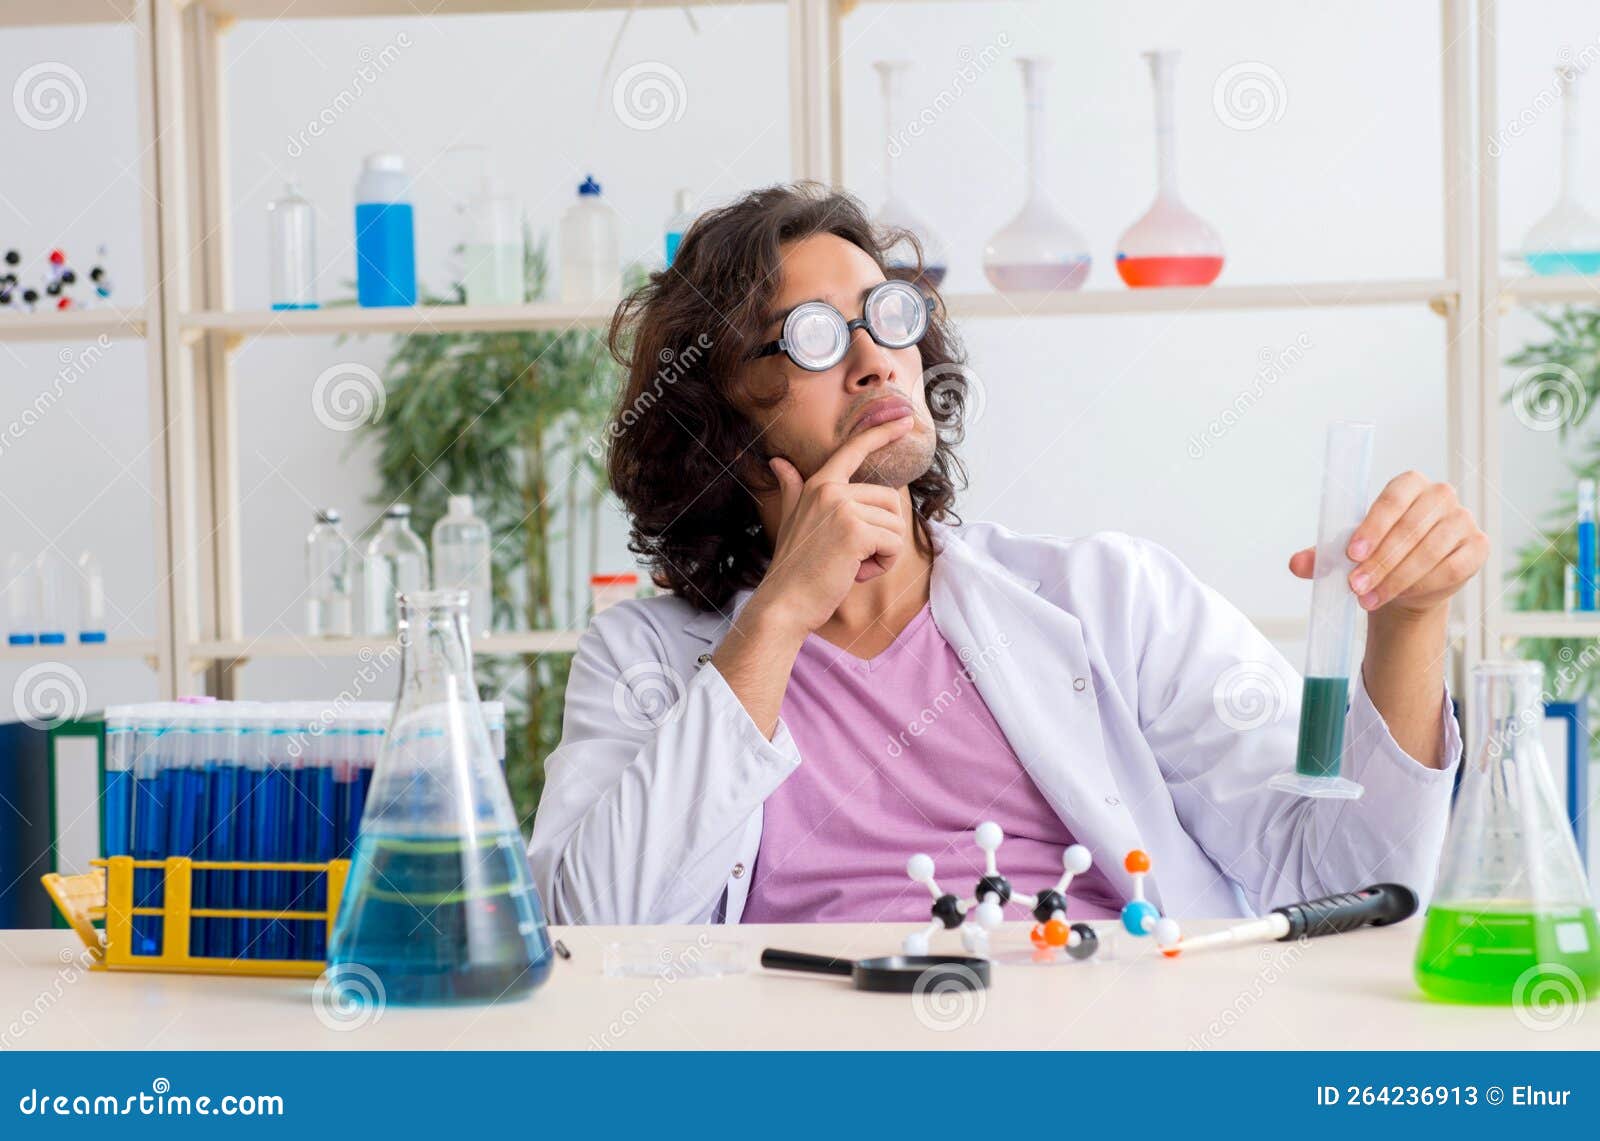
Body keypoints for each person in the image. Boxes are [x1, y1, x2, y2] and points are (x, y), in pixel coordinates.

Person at [527, 183, 1487, 927]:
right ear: (718, 418)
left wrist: (1408, 620)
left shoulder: (1111, 599)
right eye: (811, 339)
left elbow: (1355, 885)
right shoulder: (644, 659)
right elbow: (595, 932)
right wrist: (778, 617)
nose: (873, 360)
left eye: (886, 314)